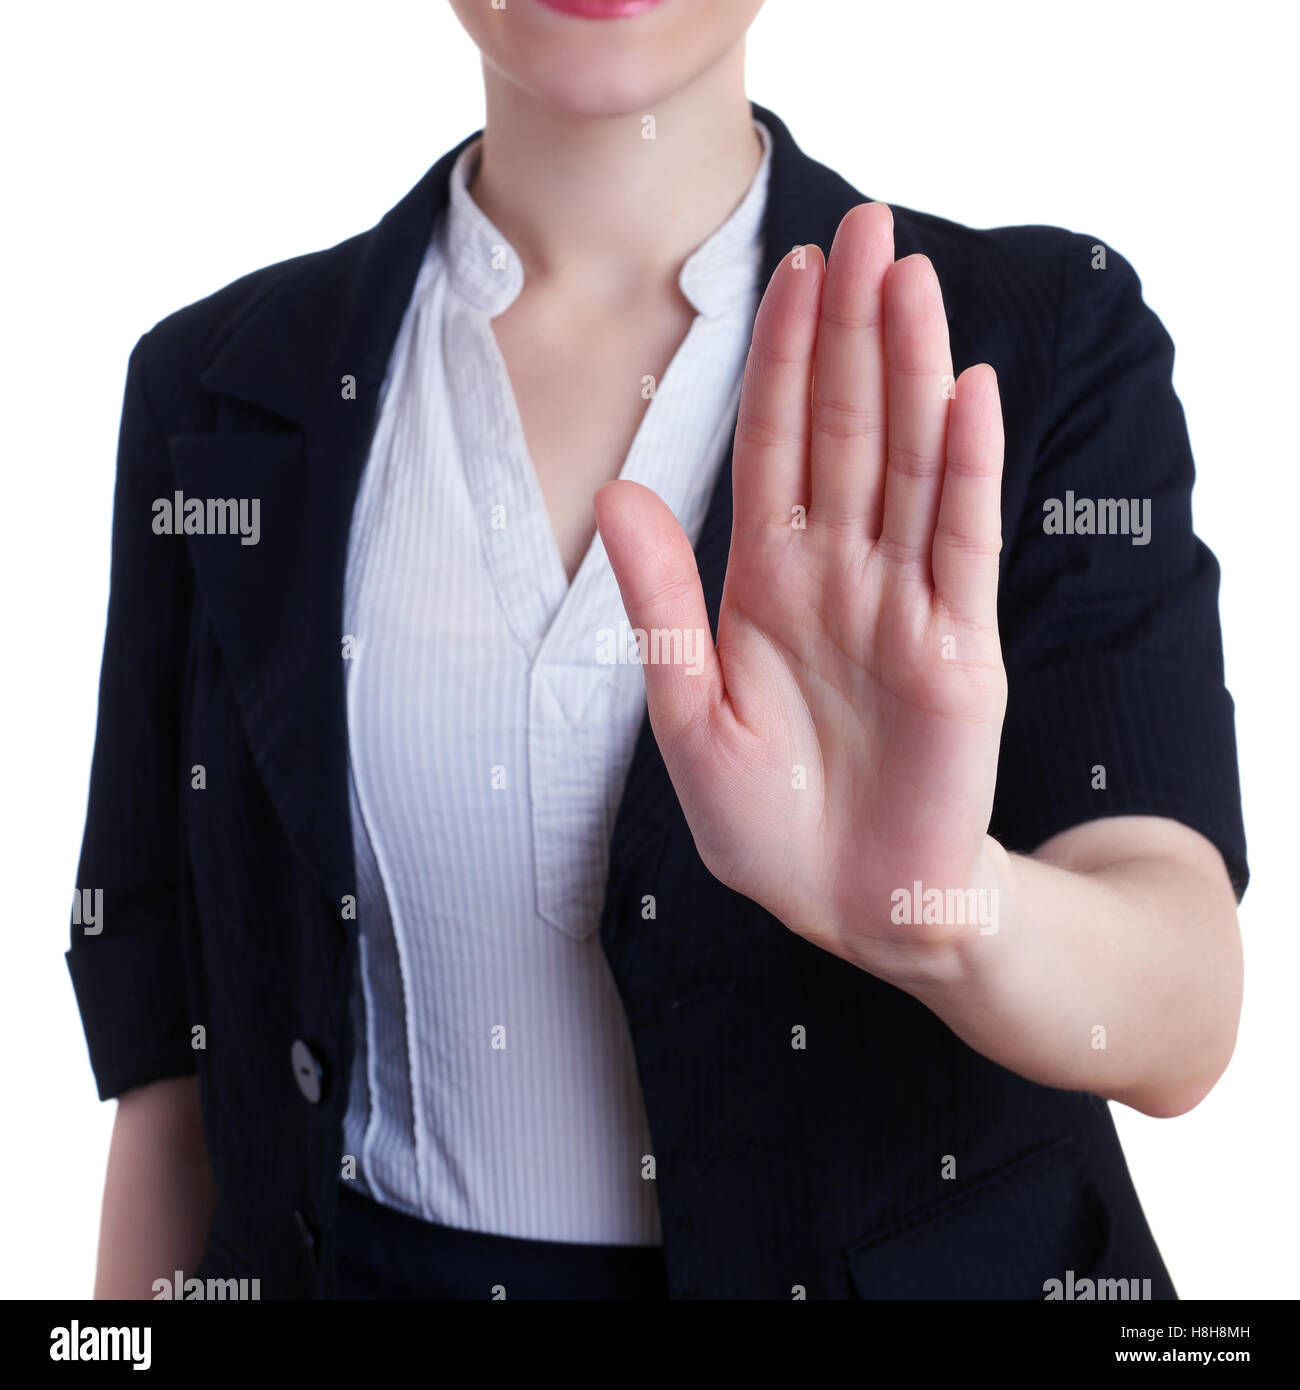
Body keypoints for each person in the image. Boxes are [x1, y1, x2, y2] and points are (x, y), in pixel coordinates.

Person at [70, 0, 1247, 1301]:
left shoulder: (1030, 340)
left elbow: (1184, 1007)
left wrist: (945, 910)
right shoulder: (214, 382)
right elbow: (172, 1085)